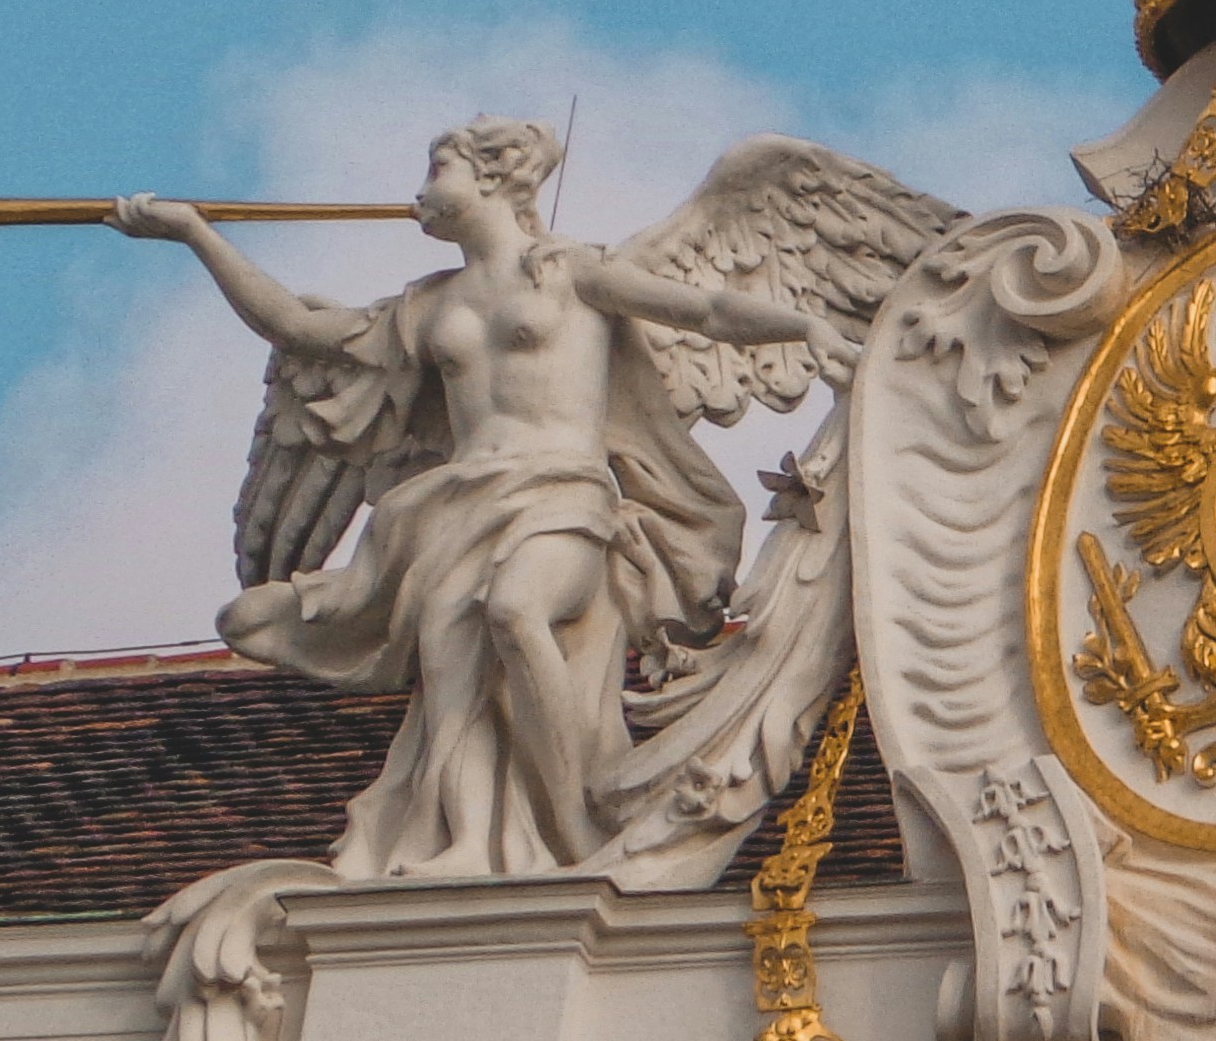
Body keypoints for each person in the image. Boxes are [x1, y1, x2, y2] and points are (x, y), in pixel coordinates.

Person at [114, 120, 844, 876]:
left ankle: (576, 822)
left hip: (562, 493)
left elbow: (705, 313)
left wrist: (803, 327)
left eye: (437, 170)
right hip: (453, 506)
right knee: (455, 674)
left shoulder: (570, 272)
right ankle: (467, 841)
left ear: (496, 177)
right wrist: (196, 235)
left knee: (515, 610)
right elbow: (299, 328)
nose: (421, 192)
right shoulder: (427, 306)